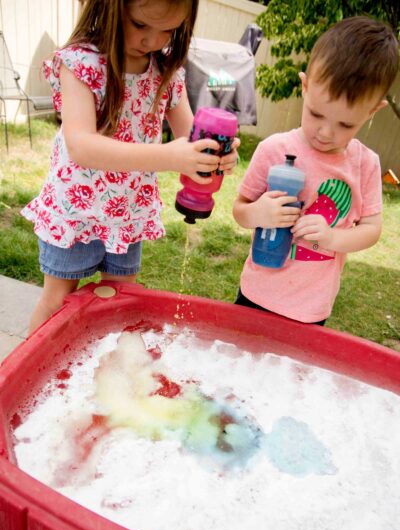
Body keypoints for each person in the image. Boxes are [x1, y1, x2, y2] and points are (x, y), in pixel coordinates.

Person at [22, 0, 238, 335]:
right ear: (109, 8)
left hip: (127, 214)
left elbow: (190, 136)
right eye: (140, 25)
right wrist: (167, 156)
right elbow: (82, 146)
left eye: (168, 30)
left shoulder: (165, 72)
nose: (152, 41)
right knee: (57, 302)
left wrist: (215, 155)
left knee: (119, 303)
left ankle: (103, 374)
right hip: (76, 210)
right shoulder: (82, 64)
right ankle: (25, 379)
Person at [232, 16, 399, 325]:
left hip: (310, 309)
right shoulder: (273, 149)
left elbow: (371, 230)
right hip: (256, 293)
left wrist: (332, 238)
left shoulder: (365, 164)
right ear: (305, 86)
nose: (325, 132)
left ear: (373, 110)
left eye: (345, 124)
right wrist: (260, 213)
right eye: (316, 114)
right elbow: (240, 211)